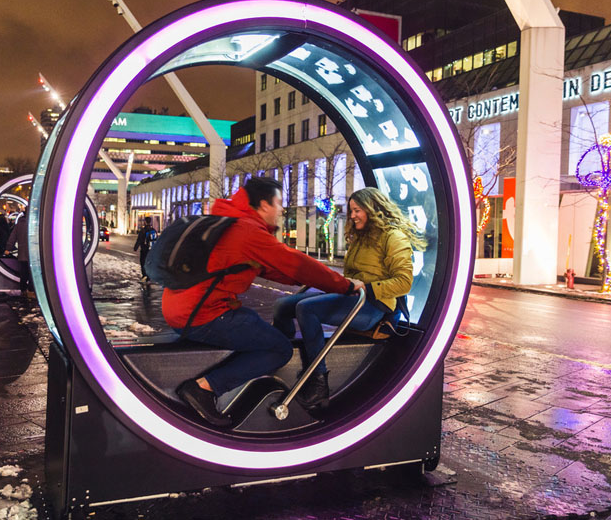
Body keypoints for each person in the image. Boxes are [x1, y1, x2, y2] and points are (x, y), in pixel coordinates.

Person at [162, 177, 359, 427]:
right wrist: (344, 285)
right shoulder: (247, 231)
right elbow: (296, 262)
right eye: (278, 203)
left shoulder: (231, 222)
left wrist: (303, 280)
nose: (281, 209)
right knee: (279, 349)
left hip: (183, 309)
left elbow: (266, 268)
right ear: (264, 205)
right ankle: (204, 388)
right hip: (201, 315)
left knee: (252, 321)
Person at [272, 187, 426, 410]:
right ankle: (281, 354)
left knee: (307, 308)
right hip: (353, 297)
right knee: (282, 305)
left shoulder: (394, 237)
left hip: (372, 306)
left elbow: (404, 282)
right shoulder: (361, 237)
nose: (352, 216)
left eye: (357, 210)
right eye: (351, 210)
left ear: (372, 209)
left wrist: (368, 288)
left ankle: (318, 382)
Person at [4, 209, 34, 299]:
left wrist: (8, 248)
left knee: (24, 273)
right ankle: (31, 291)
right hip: (33, 254)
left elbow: (12, 237)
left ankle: (23, 290)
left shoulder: (19, 224)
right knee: (33, 273)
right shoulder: (34, 224)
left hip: (22, 254)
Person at [133, 216, 157, 282]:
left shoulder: (143, 230)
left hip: (145, 250)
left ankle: (145, 276)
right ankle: (149, 277)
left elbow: (139, 240)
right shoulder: (153, 230)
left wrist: (135, 248)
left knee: (143, 262)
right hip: (151, 250)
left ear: (145, 222)